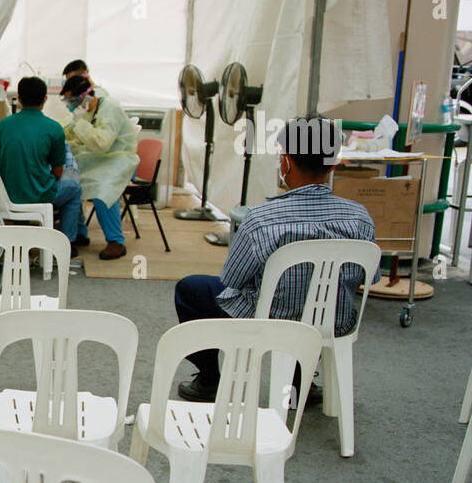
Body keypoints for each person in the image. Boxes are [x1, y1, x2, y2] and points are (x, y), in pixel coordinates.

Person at [173, 116, 378, 402]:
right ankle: (298, 382)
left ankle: (210, 380)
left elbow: (232, 279)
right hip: (334, 322)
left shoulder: (260, 220)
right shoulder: (360, 217)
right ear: (333, 164)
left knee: (190, 288)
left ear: (285, 162)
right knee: (314, 300)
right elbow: (368, 277)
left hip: (270, 321)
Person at [0, 75, 83, 248]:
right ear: (45, 99)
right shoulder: (54, 128)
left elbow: (3, 158)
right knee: (74, 190)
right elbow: (58, 172)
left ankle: (23, 230)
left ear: (18, 99)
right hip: (39, 195)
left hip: (7, 194)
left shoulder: (4, 125)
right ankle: (66, 244)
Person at [60, 72, 140, 260]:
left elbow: (103, 142)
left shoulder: (109, 108)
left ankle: (116, 242)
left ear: (86, 97)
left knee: (102, 189)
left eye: (72, 100)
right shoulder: (86, 111)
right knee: (72, 181)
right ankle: (80, 232)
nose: (71, 106)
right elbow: (69, 128)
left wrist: (80, 123)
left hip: (118, 158)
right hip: (98, 159)